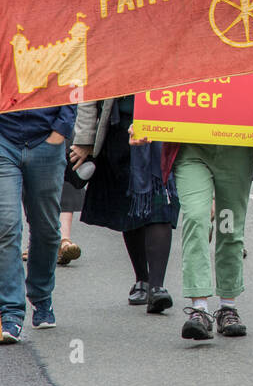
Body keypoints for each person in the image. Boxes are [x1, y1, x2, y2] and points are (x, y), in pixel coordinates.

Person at [0, 0, 75, 340]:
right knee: (5, 226)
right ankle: (11, 312)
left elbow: (75, 77)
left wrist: (61, 131)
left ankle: (41, 296)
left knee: (46, 228)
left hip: (47, 138)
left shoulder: (54, 19)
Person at [152, 82, 253, 341]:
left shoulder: (251, 39)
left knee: (229, 227)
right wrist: (146, 119)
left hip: (237, 143)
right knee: (197, 217)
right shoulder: (178, 40)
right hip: (190, 145)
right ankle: (199, 308)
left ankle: (227, 306)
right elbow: (158, 73)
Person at [71, 96, 180, 315]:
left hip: (165, 124)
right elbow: (91, 90)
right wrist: (84, 139)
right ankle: (142, 279)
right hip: (118, 131)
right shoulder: (105, 59)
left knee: (160, 204)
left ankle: (157, 287)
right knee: (128, 203)